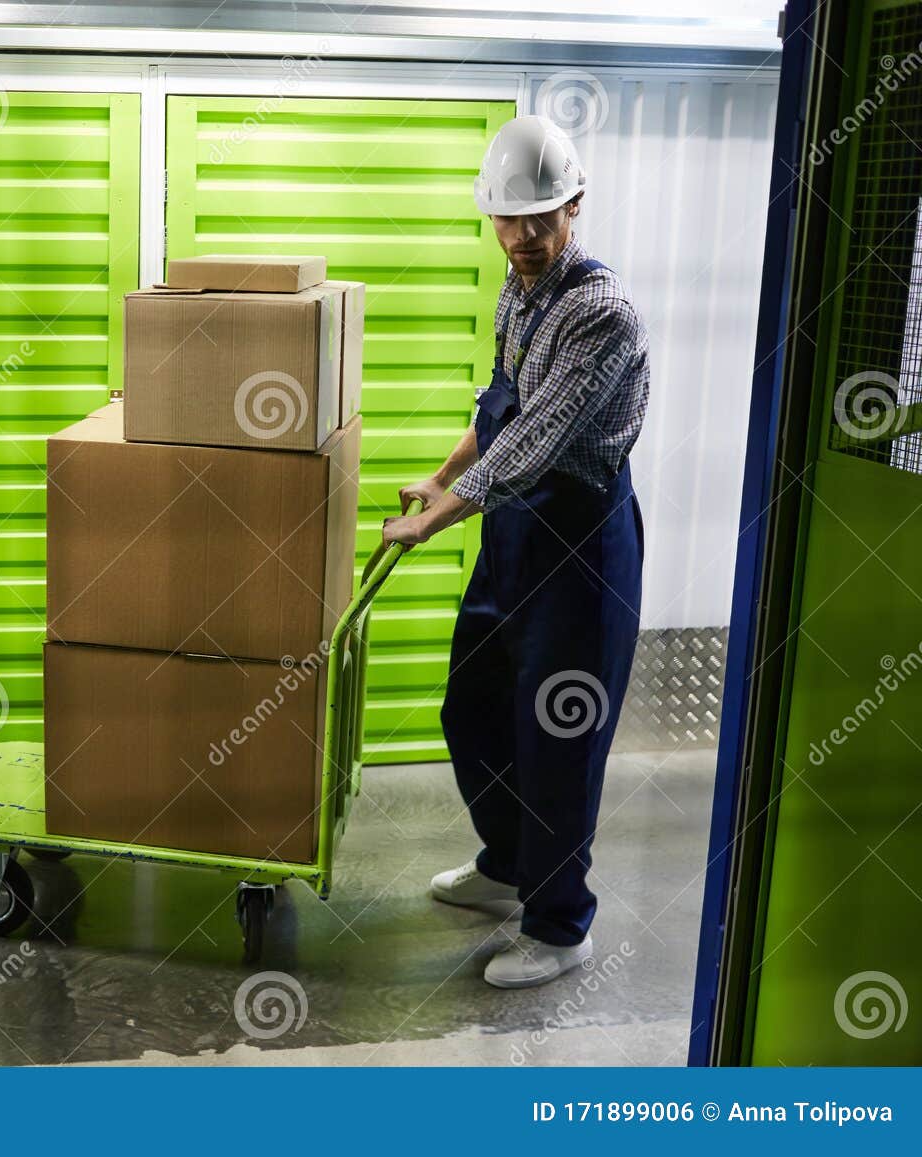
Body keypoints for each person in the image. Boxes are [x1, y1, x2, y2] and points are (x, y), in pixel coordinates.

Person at [380, 114, 649, 989]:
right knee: (474, 707)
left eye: (542, 217)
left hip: (579, 550)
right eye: (509, 218)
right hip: (512, 538)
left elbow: (537, 440)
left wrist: (440, 516)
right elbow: (499, 402)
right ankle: (506, 865)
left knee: (557, 741)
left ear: (576, 206)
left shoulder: (600, 312)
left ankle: (561, 923)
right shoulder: (516, 290)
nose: (525, 236)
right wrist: (439, 475)